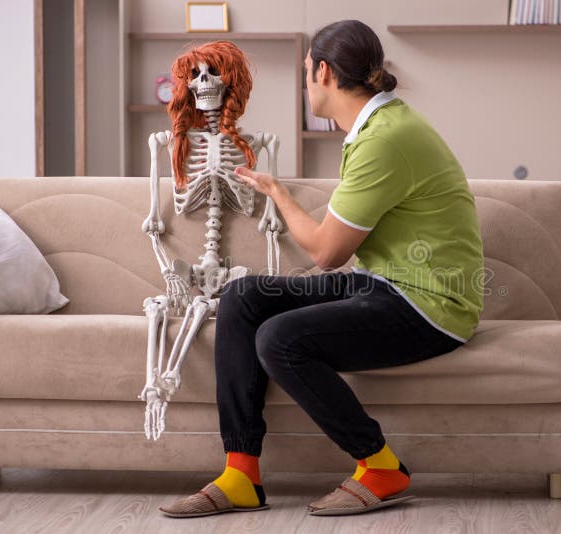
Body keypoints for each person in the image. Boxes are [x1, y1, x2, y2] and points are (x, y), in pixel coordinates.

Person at [159, 19, 485, 518]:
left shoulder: (385, 140)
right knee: (245, 298)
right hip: (387, 285)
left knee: (280, 338)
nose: (305, 81)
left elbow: (327, 253)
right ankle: (241, 472)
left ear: (325, 72)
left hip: (430, 303)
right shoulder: (376, 128)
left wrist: (279, 194)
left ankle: (380, 466)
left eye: (306, 71)